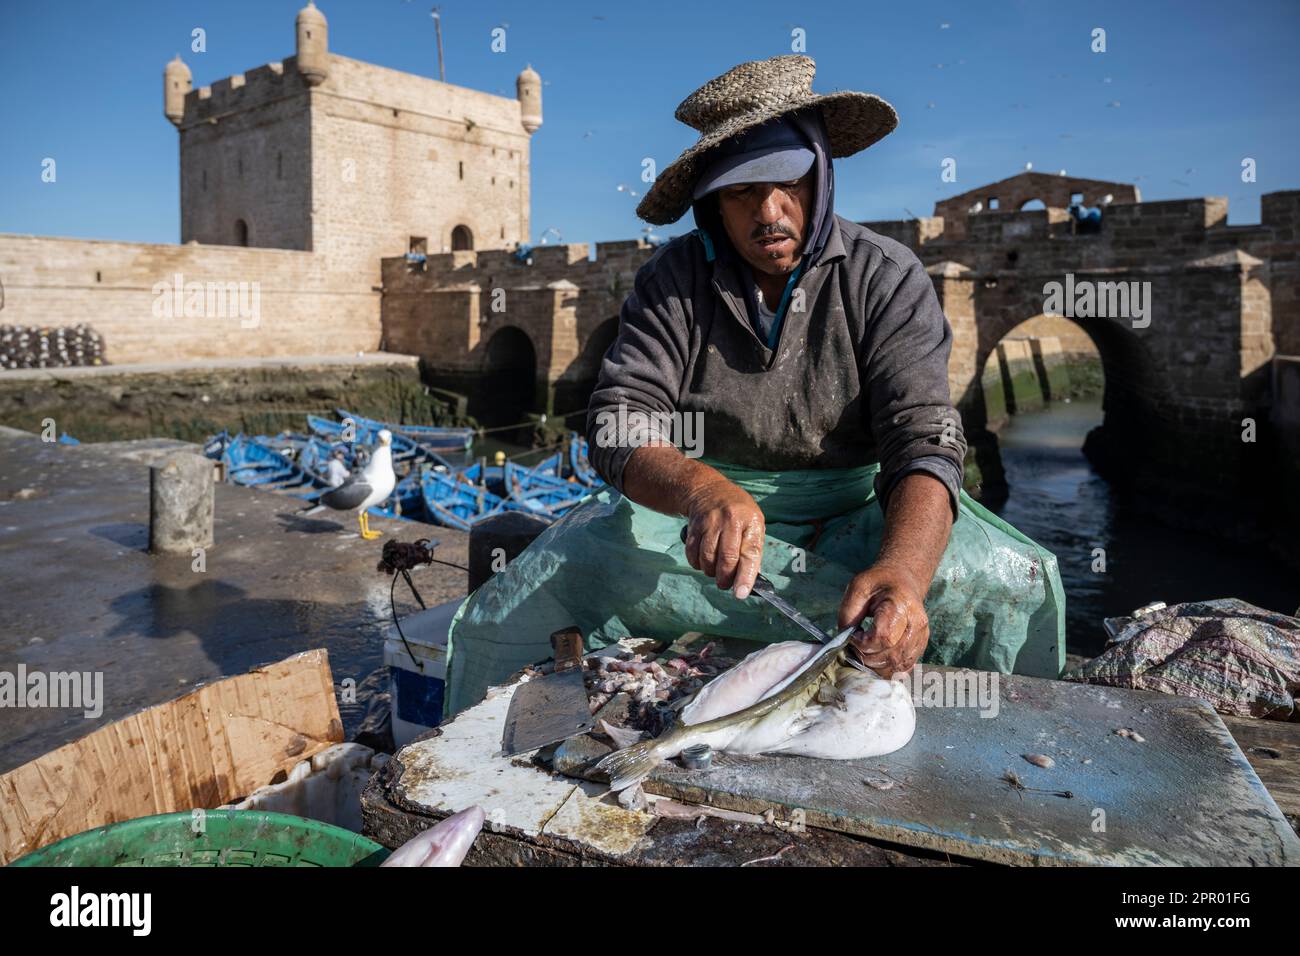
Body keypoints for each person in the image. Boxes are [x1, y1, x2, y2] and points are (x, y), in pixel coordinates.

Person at [443, 55, 1064, 718]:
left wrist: (904, 576)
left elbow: (925, 440)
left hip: (861, 509)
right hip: (703, 525)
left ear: (821, 174)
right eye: (742, 191)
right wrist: (702, 490)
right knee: (536, 585)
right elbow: (618, 423)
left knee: (1011, 586)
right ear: (711, 201)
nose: (770, 211)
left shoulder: (886, 277)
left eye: (788, 181)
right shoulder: (671, 282)